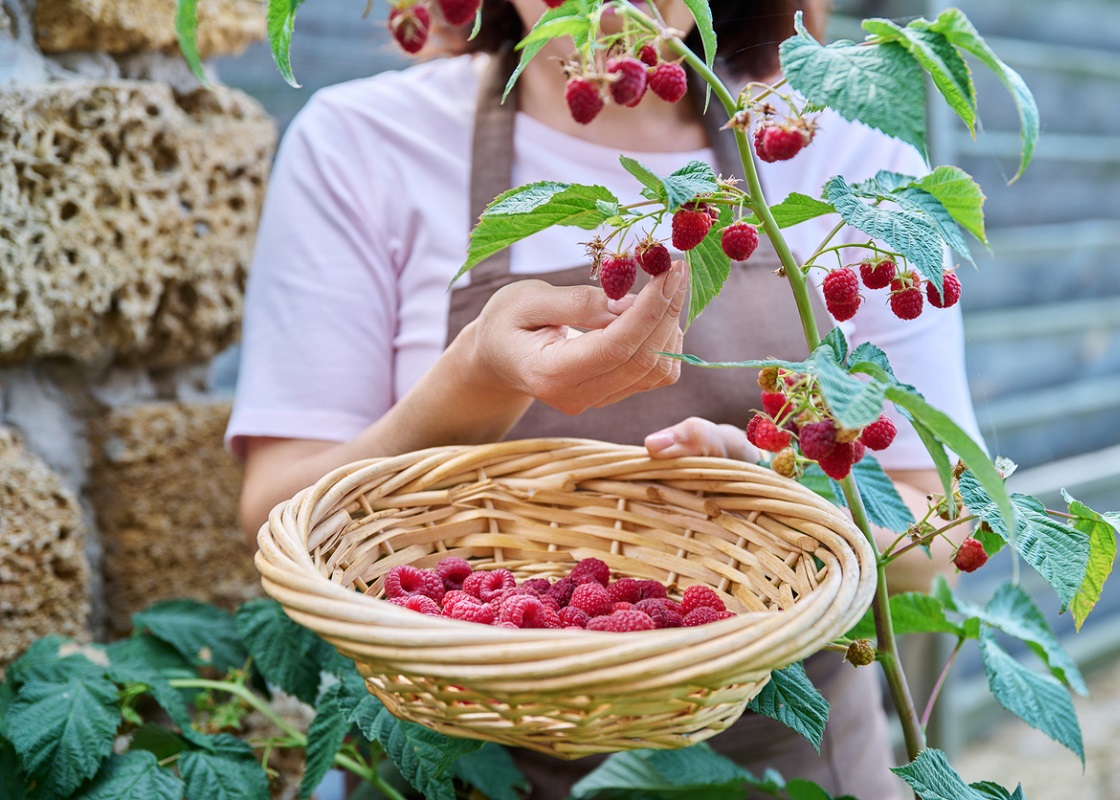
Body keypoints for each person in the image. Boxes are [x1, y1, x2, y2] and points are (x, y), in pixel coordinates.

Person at [226, 1, 982, 796]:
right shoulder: (365, 143)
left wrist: (779, 485)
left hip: (789, 764)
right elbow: (280, 511)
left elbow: (940, 527)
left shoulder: (850, 159)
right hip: (462, 763)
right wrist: (477, 375)